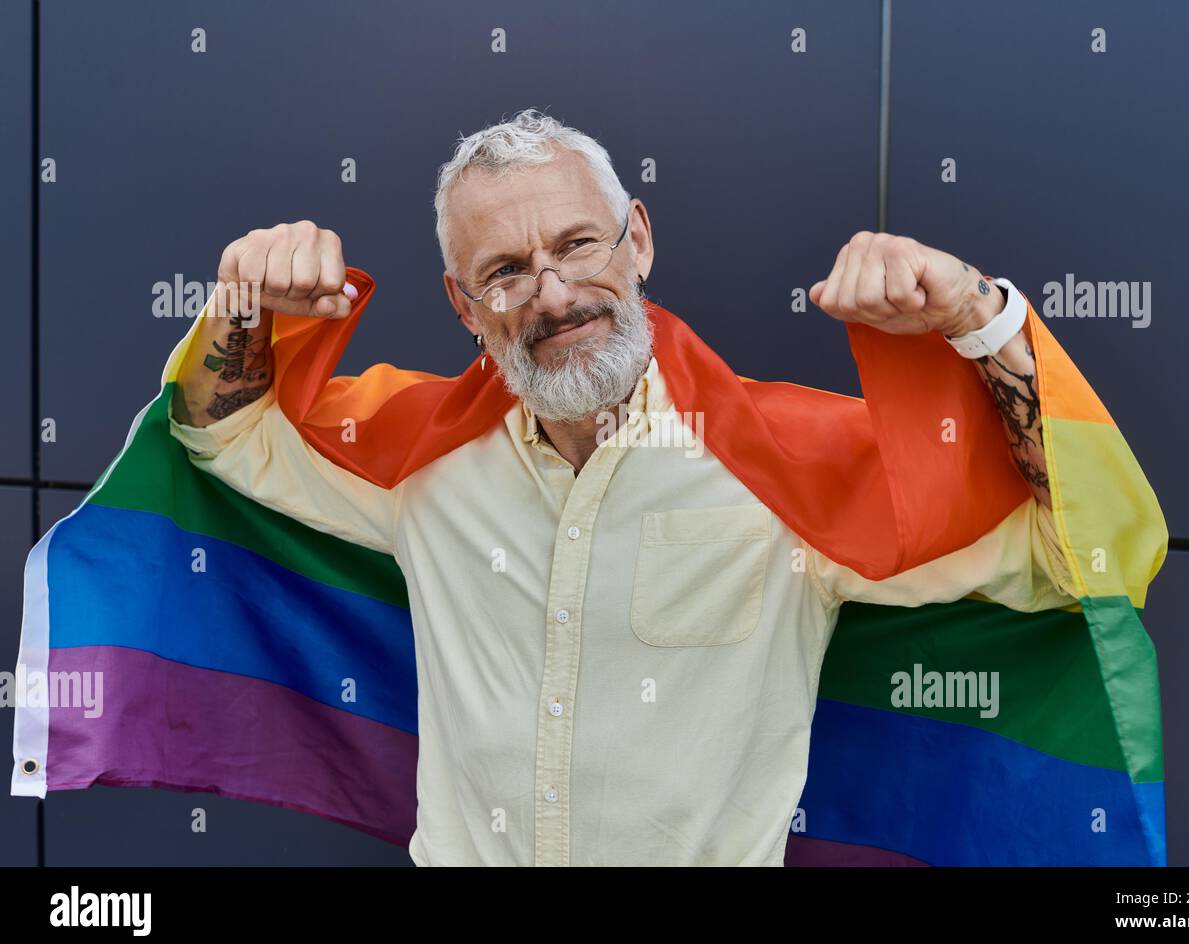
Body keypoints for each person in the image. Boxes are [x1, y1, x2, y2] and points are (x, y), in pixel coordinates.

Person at [167, 108, 1079, 866]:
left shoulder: (794, 465)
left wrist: (976, 317)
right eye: (506, 272)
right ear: (462, 304)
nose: (555, 295)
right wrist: (245, 298)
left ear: (636, 239)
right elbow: (221, 433)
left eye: (578, 244)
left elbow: (1072, 553)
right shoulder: (412, 457)